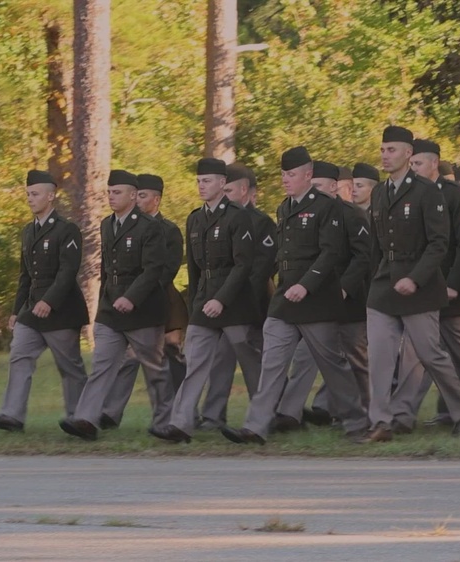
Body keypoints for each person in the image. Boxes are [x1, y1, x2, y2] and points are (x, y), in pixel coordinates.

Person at [220, 146, 370, 445]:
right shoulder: (284, 207)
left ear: (308, 174)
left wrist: (308, 284)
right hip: (285, 299)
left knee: (332, 364)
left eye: (291, 174)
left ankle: (357, 422)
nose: (286, 180)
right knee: (272, 362)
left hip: (317, 300)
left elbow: (331, 253)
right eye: (283, 175)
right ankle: (256, 426)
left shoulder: (328, 207)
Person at [360, 126, 460, 442]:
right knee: (380, 356)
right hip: (384, 285)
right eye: (383, 150)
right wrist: (373, 282)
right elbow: (375, 245)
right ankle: (381, 422)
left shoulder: (427, 191)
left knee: (430, 354)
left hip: (420, 286)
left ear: (408, 154)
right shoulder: (380, 193)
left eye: (392, 150)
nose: (385, 155)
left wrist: (416, 278)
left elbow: (439, 243)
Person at [392, 140, 460, 431]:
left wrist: (453, 284)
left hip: (453, 288)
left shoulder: (455, 194)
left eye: (417, 163)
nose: (413, 168)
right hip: (422, 286)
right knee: (416, 353)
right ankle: (403, 417)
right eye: (411, 164)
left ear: (434, 164)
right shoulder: (408, 195)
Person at [150, 158, 261, 444]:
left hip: (234, 303)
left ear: (223, 184)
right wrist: (196, 303)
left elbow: (243, 265)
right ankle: (180, 424)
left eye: (208, 181)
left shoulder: (238, 216)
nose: (202, 186)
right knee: (195, 362)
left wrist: (222, 300)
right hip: (205, 301)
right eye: (199, 181)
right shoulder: (195, 218)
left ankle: (261, 421)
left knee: (250, 365)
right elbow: (196, 268)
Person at [59, 170, 173, 441]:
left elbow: (153, 269)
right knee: (102, 365)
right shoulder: (107, 224)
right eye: (109, 192)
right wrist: (104, 303)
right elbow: (108, 269)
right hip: (111, 311)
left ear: (133, 195)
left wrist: (131, 298)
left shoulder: (150, 226)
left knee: (154, 368)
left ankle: (167, 422)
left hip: (143, 311)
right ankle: (86, 419)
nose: (111, 196)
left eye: (117, 192)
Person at [0, 170, 89, 432]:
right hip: (31, 311)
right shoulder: (28, 231)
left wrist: (49, 301)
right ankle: (11, 416)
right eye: (28, 194)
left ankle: (81, 418)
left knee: (70, 367)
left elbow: (67, 271)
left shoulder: (67, 230)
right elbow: (25, 275)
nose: (30, 198)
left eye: (35, 194)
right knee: (19, 355)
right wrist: (17, 311)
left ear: (50, 196)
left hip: (61, 311)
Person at [274, 160, 372, 428]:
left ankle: (365, 409)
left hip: (348, 300)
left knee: (355, 360)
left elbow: (362, 258)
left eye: (318, 185)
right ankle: (290, 413)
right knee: (306, 358)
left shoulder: (353, 215)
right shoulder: (306, 212)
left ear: (334, 186)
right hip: (316, 299)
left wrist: (344, 288)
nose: (314, 191)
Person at [99, 173, 188, 429]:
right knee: (129, 357)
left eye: (143, 196)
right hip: (129, 301)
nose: (137, 201)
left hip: (160, 302)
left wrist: (139, 296)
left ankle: (179, 410)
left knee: (169, 354)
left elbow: (165, 270)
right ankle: (110, 412)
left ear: (156, 199)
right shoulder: (121, 226)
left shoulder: (167, 229)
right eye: (135, 195)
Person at [195, 162, 275, 430]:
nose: (223, 194)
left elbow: (259, 269)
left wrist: (235, 300)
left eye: (228, 189)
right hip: (219, 302)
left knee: (252, 360)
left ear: (244, 190)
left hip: (249, 304)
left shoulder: (262, 222)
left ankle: (265, 414)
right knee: (220, 361)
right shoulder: (214, 218)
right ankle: (212, 416)